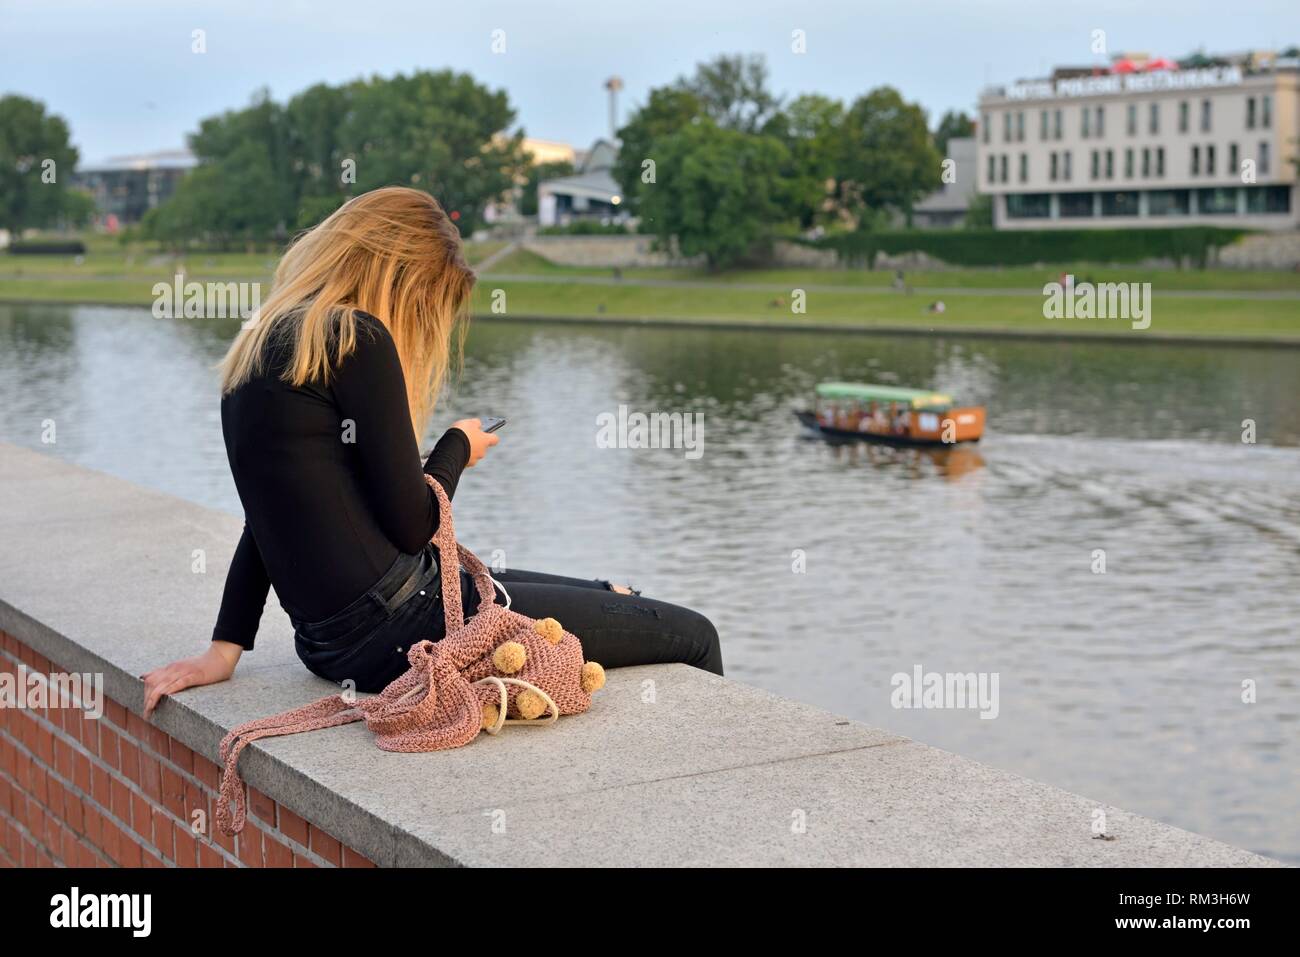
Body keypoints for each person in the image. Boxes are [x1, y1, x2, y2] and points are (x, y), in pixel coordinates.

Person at [142, 187, 722, 715]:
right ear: (403, 280)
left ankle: (605, 595)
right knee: (693, 634)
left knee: (606, 596)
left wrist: (225, 649)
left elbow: (266, 521)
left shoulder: (262, 347)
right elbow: (413, 523)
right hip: (405, 628)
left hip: (329, 647)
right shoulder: (357, 338)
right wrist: (456, 446)